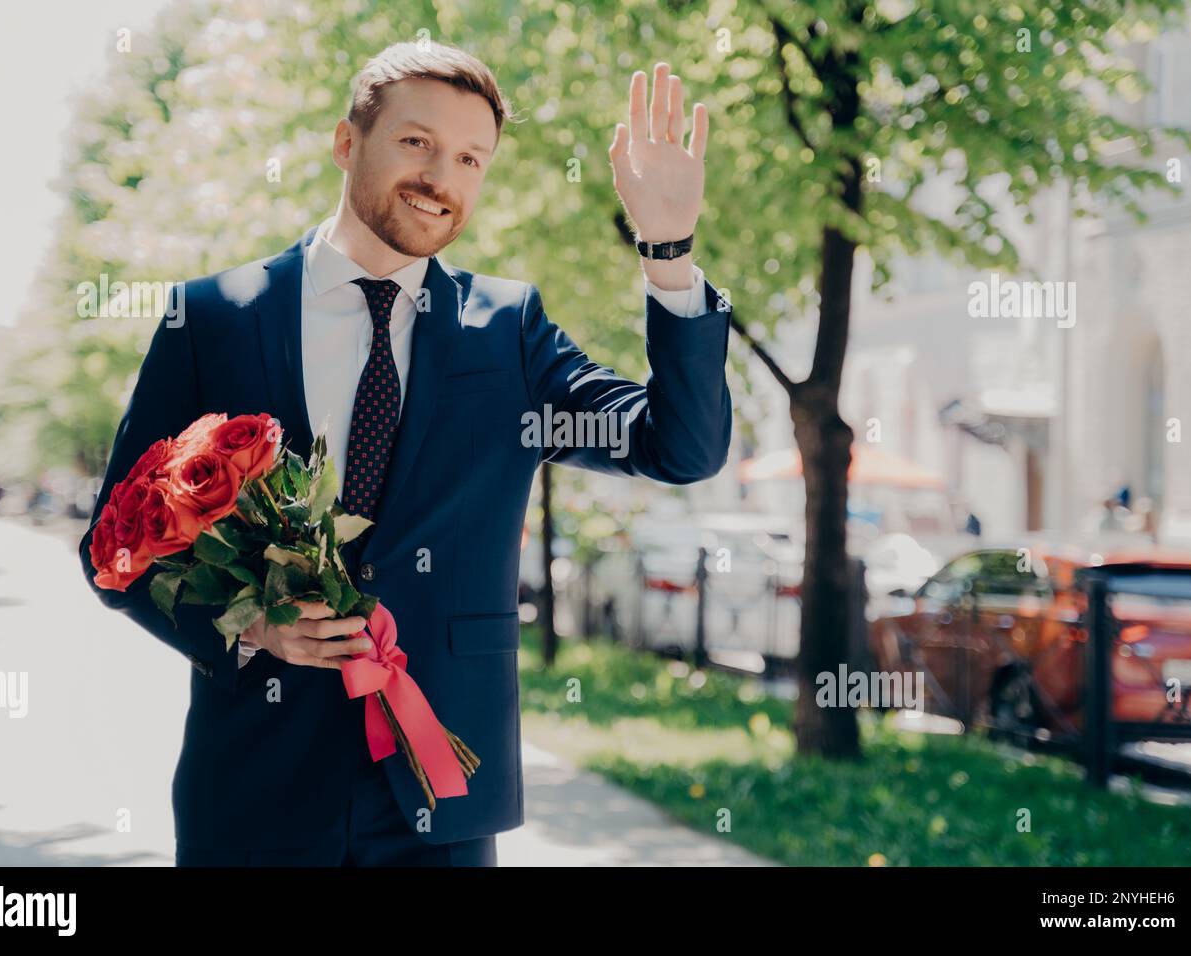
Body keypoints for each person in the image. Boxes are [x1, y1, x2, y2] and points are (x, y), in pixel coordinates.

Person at [77, 43, 731, 868]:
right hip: (254, 790)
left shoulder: (511, 331)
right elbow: (116, 548)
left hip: (440, 793)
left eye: (469, 158)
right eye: (416, 143)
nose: (440, 177)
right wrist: (251, 634)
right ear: (348, 142)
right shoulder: (212, 319)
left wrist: (667, 250)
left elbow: (679, 447)